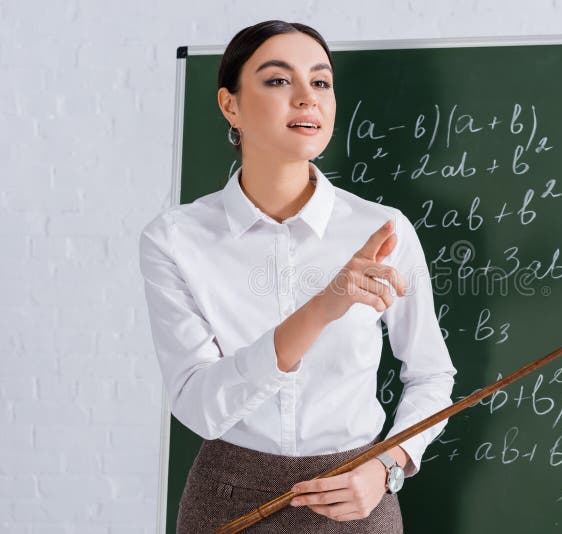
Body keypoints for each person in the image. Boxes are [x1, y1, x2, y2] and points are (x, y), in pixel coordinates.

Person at [138, 20, 457, 533]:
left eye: (321, 82)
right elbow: (200, 406)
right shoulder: (175, 239)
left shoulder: (384, 228)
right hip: (228, 499)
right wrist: (323, 307)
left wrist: (387, 466)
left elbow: (432, 375)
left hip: (356, 498)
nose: (307, 98)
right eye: (278, 80)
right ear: (230, 105)